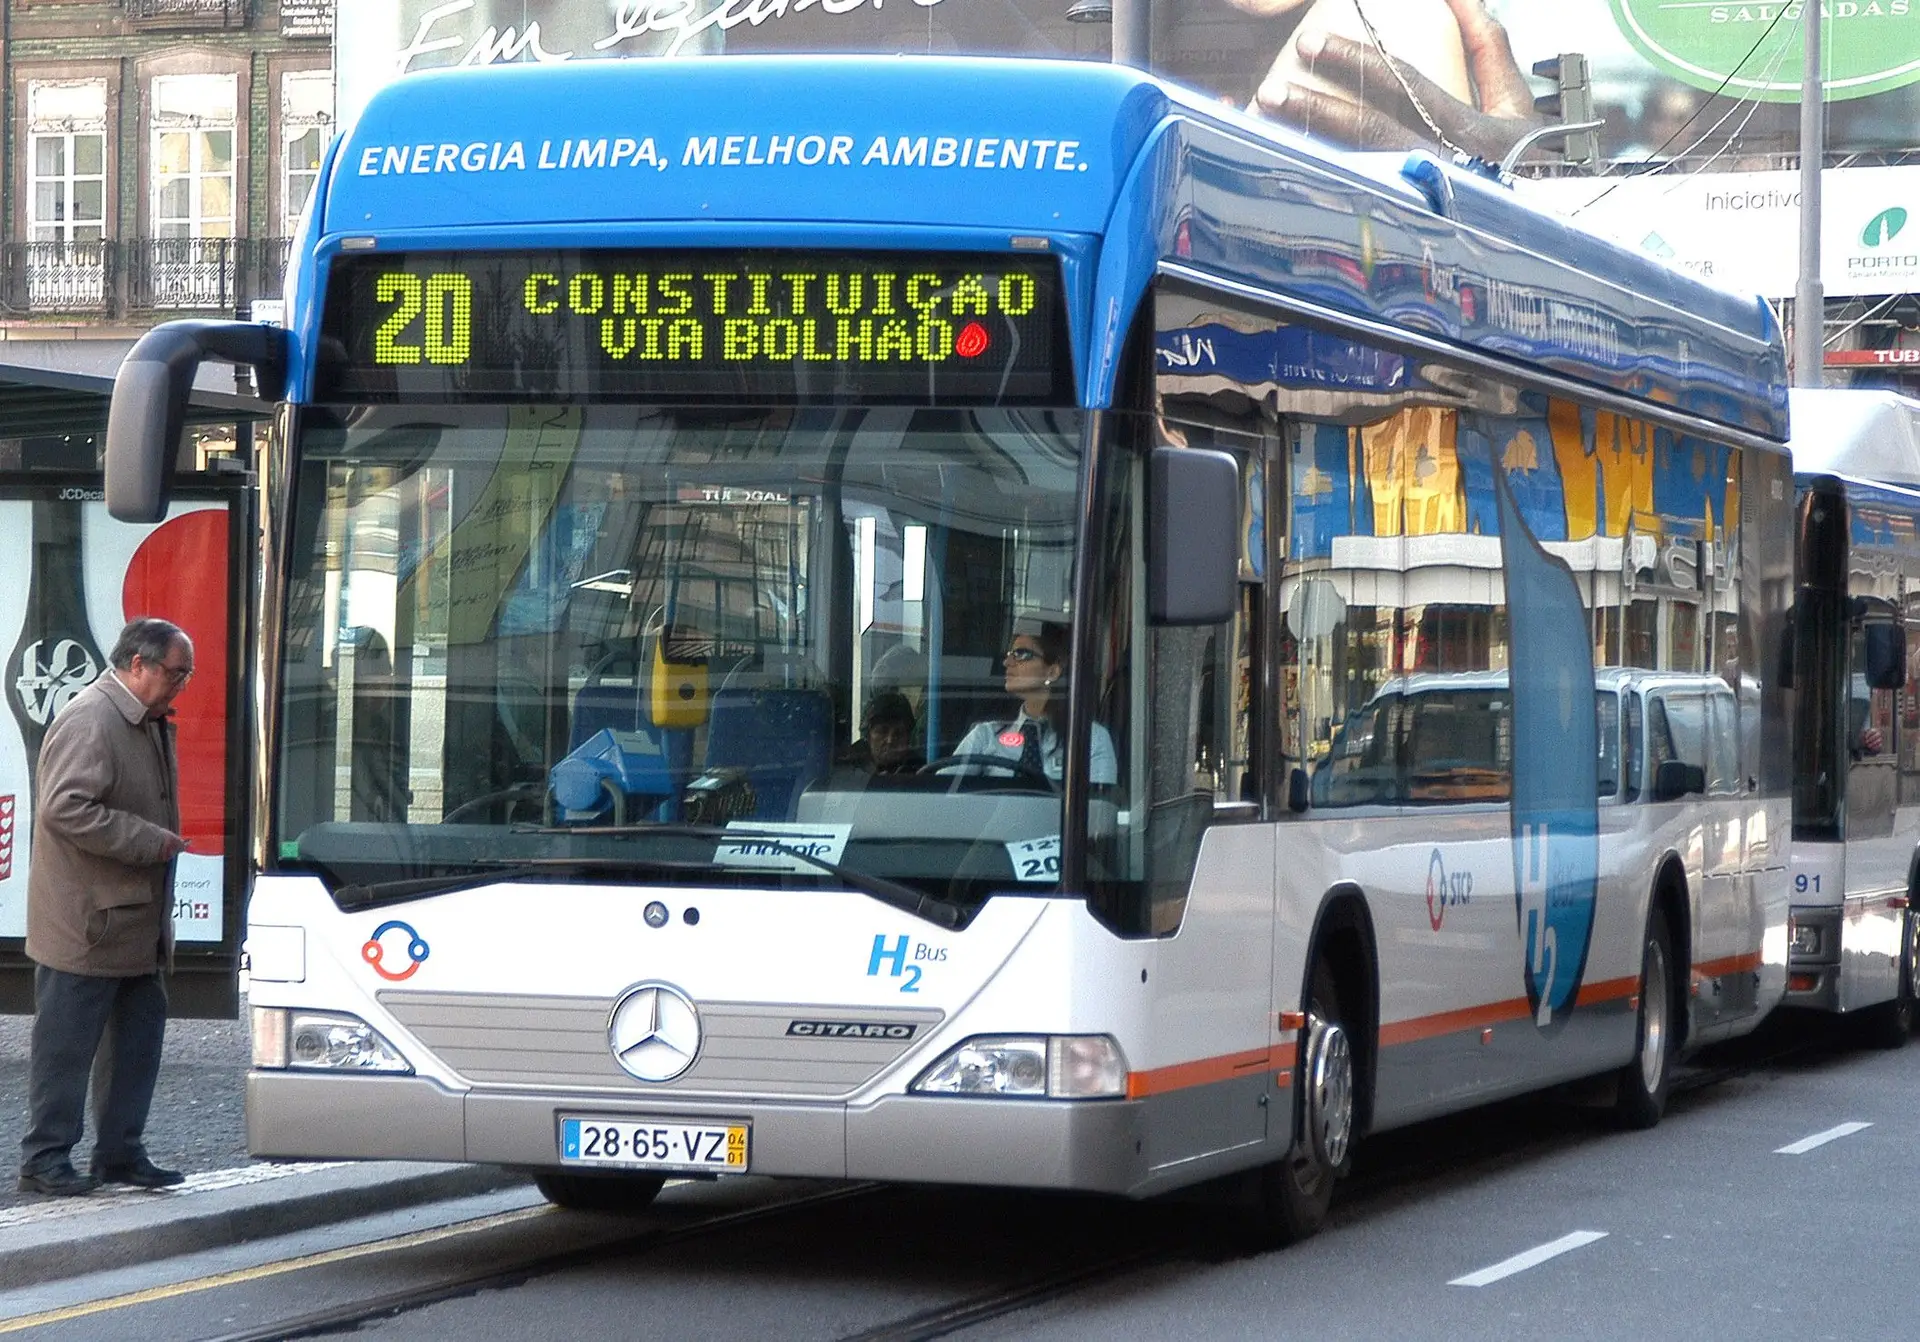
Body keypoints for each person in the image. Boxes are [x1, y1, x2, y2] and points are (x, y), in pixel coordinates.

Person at [18, 618, 193, 1196]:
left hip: (133, 923)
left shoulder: (143, 717)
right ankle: (45, 1160)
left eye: (186, 674)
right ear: (136, 664)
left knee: (137, 1044)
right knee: (66, 1048)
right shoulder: (93, 718)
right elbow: (64, 809)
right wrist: (150, 840)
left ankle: (119, 1154)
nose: (182, 684)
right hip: (87, 924)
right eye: (176, 672)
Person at [952, 620, 1117, 787]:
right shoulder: (985, 735)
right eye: (1010, 654)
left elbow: (1099, 807)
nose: (1007, 662)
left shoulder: (1090, 738)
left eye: (1021, 654)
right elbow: (942, 793)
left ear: (1052, 671)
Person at [841, 690, 923, 776]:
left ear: (908, 738)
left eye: (898, 733)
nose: (890, 740)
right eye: (882, 732)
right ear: (867, 736)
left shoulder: (920, 770)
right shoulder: (846, 769)